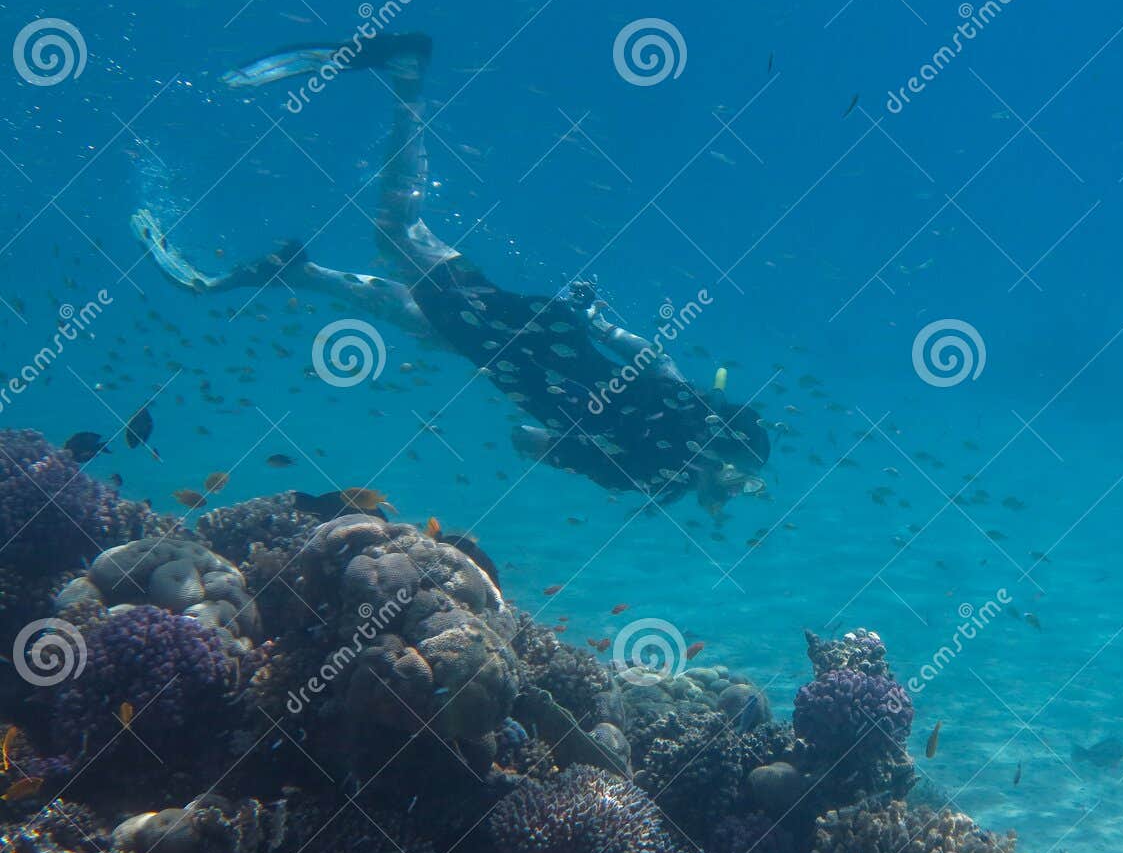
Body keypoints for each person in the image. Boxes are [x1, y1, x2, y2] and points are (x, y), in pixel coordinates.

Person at [131, 32, 768, 514]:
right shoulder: (656, 460)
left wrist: (593, 323)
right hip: (514, 345)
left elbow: (644, 355)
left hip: (526, 342)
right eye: (737, 480)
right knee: (398, 235)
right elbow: (530, 439)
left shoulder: (680, 414)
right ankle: (408, 74)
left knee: (417, 316)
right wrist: (580, 436)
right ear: (718, 455)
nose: (734, 493)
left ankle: (295, 270)